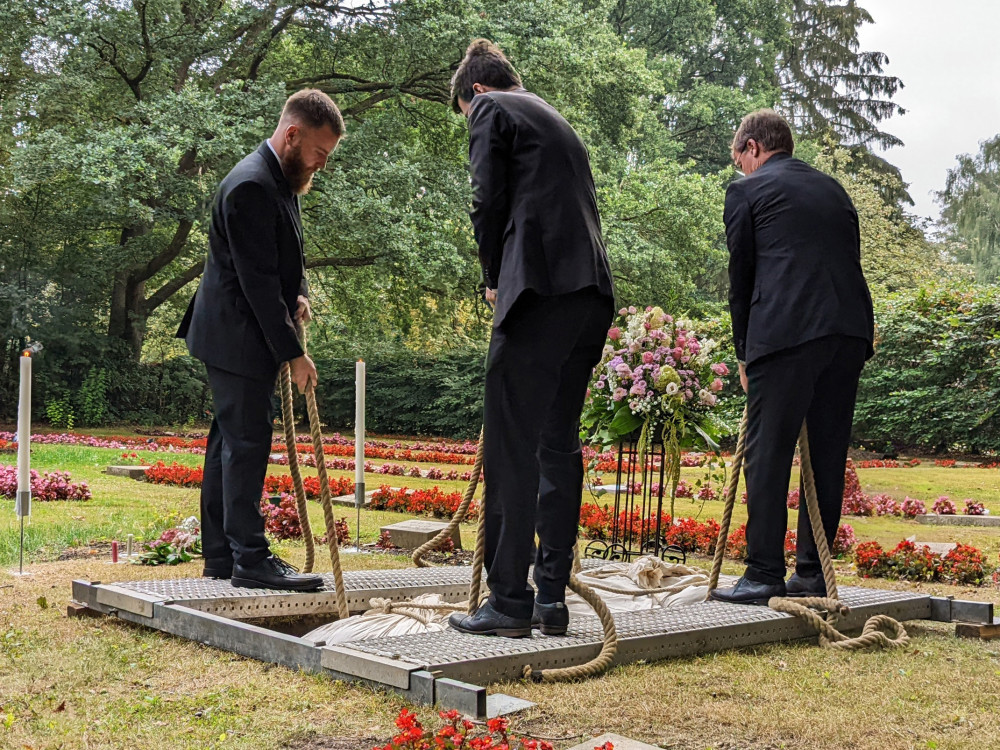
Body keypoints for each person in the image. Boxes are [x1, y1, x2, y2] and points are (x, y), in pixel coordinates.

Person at [446, 40, 615, 638]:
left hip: (538, 290)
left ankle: (509, 600)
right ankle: (550, 597)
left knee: (511, 445)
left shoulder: (492, 111)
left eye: (464, 115)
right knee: (556, 445)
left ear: (478, 93)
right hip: (589, 294)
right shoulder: (554, 118)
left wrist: (494, 278)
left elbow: (485, 198)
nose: (471, 124)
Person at [176, 89, 344, 591]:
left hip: (235, 333)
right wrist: (295, 354)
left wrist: (301, 293)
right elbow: (255, 282)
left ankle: (223, 557)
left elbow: (285, 256)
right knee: (246, 443)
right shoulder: (250, 185)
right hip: (236, 335)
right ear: (292, 135)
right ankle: (250, 559)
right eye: (319, 153)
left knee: (228, 442)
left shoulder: (281, 179)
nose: (321, 164)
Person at [709, 109, 874, 605]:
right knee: (825, 454)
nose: (739, 169)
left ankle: (762, 572)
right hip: (848, 331)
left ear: (753, 148)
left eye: (739, 159)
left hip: (784, 331)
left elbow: (742, 278)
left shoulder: (747, 192)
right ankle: (812, 571)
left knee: (768, 452)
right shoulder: (833, 189)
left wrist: (743, 352)